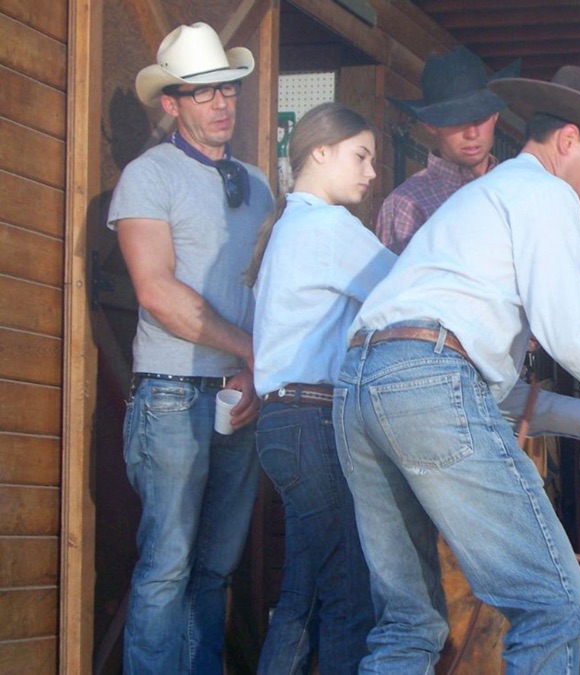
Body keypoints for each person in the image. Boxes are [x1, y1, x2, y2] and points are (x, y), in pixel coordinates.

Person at [335, 64, 580, 673]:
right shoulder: (544, 193)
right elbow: (569, 336)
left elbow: (464, 378)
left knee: (408, 624)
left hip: (360, 388)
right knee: (552, 603)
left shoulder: (478, 205)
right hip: (429, 381)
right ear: (568, 140)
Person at [108, 22, 271, 673]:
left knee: (215, 568)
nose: (222, 102)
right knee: (168, 566)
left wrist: (256, 371)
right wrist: (253, 351)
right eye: (203, 93)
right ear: (170, 103)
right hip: (173, 394)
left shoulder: (258, 184)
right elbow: (156, 292)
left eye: (228, 88)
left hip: (238, 396)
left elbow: (264, 291)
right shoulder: (148, 176)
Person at [247, 102, 388, 674]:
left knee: (301, 602)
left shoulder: (287, 228)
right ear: (320, 152)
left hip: (284, 424)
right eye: (362, 156)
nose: (372, 172)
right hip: (314, 424)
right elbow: (408, 291)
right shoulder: (330, 228)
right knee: (349, 598)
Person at [374, 45, 519, 254]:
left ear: (496, 114)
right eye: (456, 121)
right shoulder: (406, 205)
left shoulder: (517, 189)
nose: (471, 133)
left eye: (480, 118)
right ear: (431, 125)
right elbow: (400, 285)